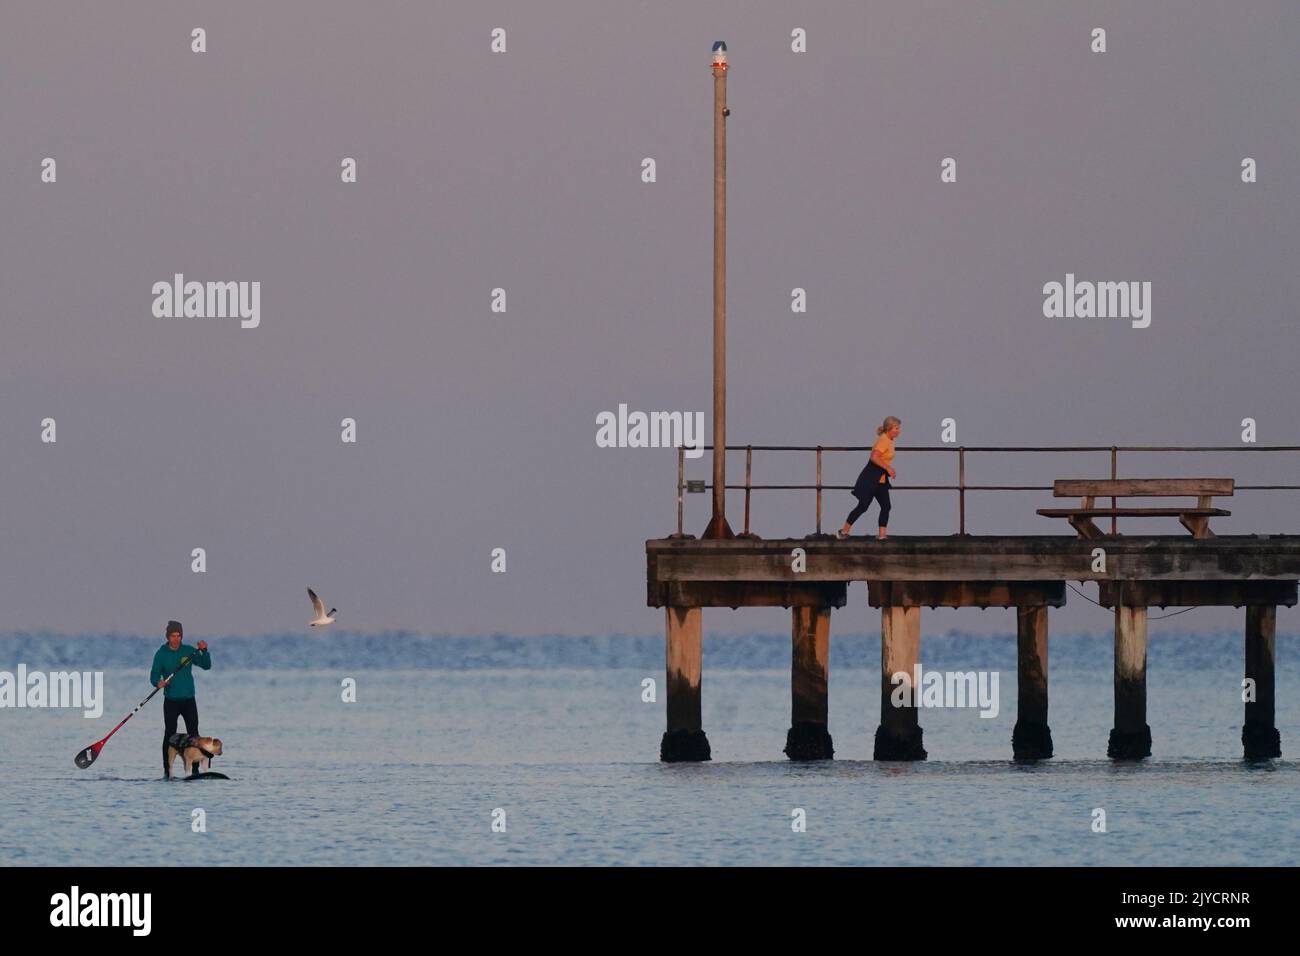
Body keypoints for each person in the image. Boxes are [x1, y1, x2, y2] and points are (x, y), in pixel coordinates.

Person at [150, 621, 212, 775]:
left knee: (194, 734)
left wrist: (204, 651)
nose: (176, 639)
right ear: (168, 637)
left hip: (188, 700)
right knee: (170, 735)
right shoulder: (161, 654)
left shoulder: (188, 651)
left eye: (179, 636)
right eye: (173, 636)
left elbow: (206, 665)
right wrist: (158, 683)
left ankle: (195, 771)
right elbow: (154, 675)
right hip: (171, 701)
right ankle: (167, 770)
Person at [839, 416, 900, 540]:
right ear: (889, 428)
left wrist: (887, 470)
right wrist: (888, 468)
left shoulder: (889, 440)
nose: (899, 431)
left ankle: (882, 535)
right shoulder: (884, 440)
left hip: (881, 480)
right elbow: (874, 457)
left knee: (886, 506)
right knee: (863, 506)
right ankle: (844, 531)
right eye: (896, 428)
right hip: (871, 479)